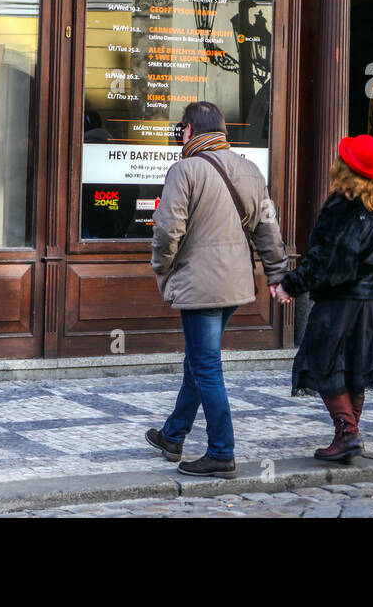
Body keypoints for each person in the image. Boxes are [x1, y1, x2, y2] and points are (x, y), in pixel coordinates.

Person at [145, 100, 288, 478]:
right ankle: (173, 435)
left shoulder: (185, 170)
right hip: (236, 285)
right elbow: (268, 228)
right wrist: (277, 273)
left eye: (181, 130)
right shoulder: (250, 170)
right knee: (198, 360)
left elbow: (166, 230)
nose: (180, 137)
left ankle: (222, 452)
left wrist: (162, 268)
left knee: (206, 366)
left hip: (201, 286)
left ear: (190, 131)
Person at [267, 134, 373, 463]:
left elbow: (327, 262)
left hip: (343, 302)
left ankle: (348, 434)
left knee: (321, 361)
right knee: (357, 367)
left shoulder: (343, 206)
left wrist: (291, 285)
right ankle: (348, 436)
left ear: (345, 168)